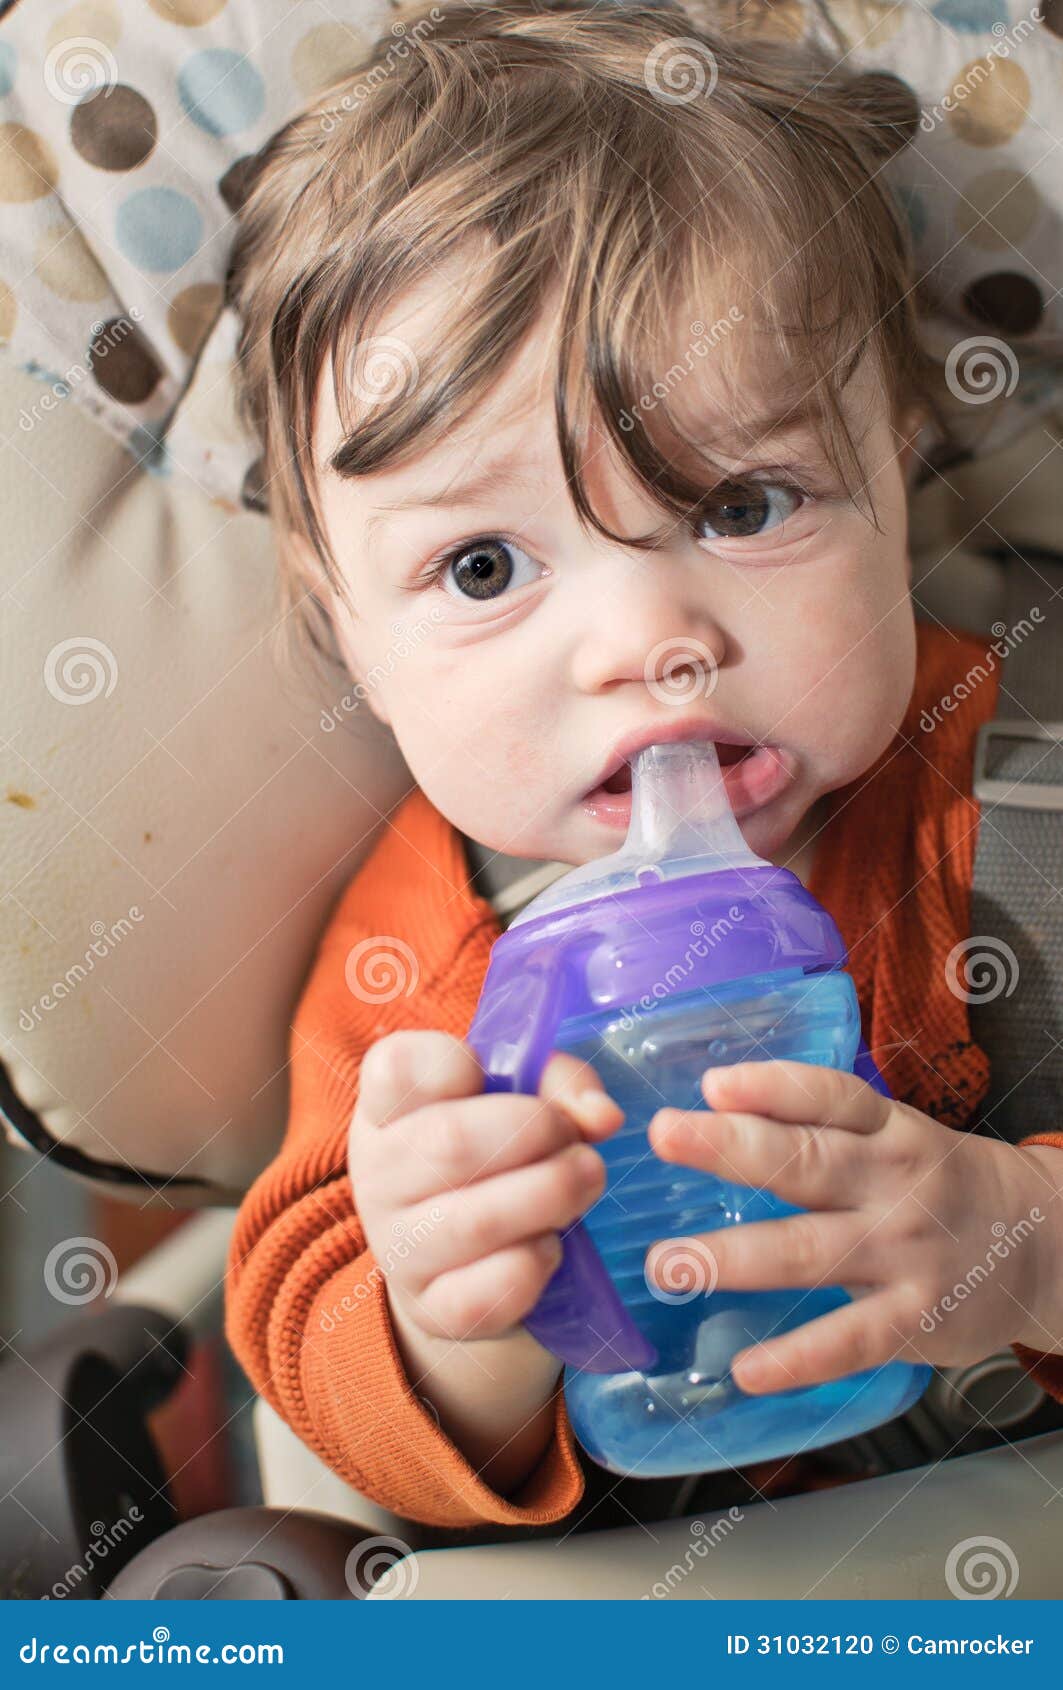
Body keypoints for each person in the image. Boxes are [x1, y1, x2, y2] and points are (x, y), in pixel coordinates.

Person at [222, 0, 1063, 1533]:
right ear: (344, 633)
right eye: (484, 565)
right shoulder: (429, 961)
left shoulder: (1026, 795)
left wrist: (1028, 1238)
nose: (648, 641)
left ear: (902, 455)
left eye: (744, 506)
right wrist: (451, 1316)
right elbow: (312, 1350)